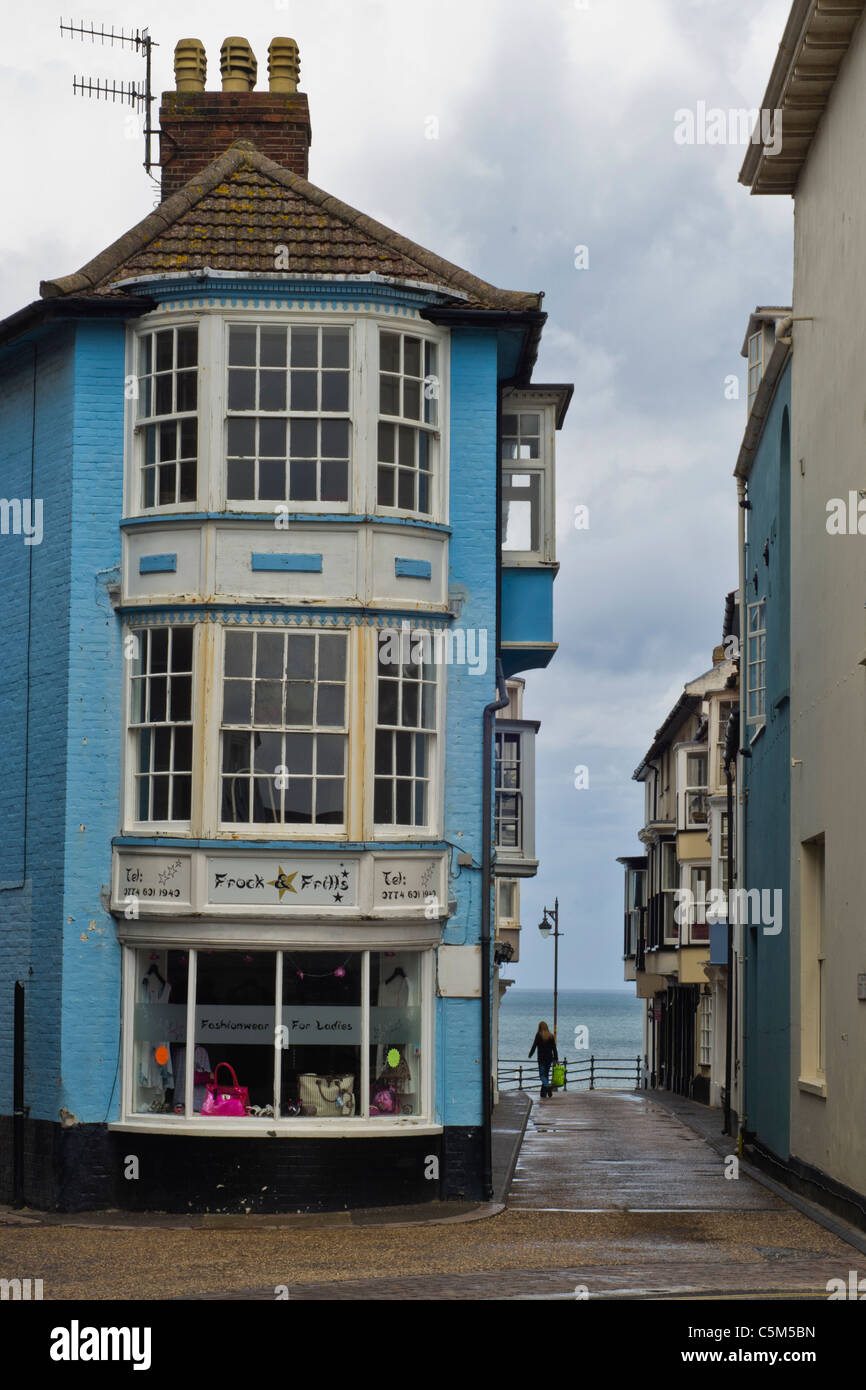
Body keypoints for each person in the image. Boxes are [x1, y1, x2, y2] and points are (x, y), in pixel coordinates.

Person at [529, 1020, 558, 1098]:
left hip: (541, 1058)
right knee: (546, 1075)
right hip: (549, 1058)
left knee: (542, 1075)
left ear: (539, 1027)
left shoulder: (538, 1035)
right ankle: (543, 1093)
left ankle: (547, 1086)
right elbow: (554, 1048)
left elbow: (534, 1046)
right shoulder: (551, 1036)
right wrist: (556, 1058)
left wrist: (530, 1054)